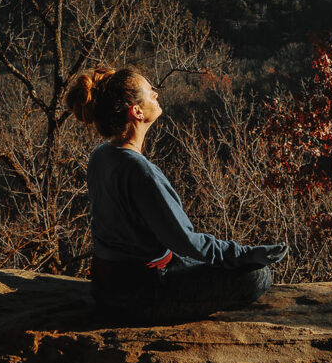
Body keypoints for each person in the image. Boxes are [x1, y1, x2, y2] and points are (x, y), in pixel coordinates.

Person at [64, 65, 287, 321]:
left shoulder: (101, 156)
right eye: (150, 92)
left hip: (107, 286)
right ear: (136, 111)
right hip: (139, 294)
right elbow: (185, 240)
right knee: (258, 275)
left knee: (205, 262)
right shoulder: (139, 171)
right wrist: (244, 254)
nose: (156, 94)